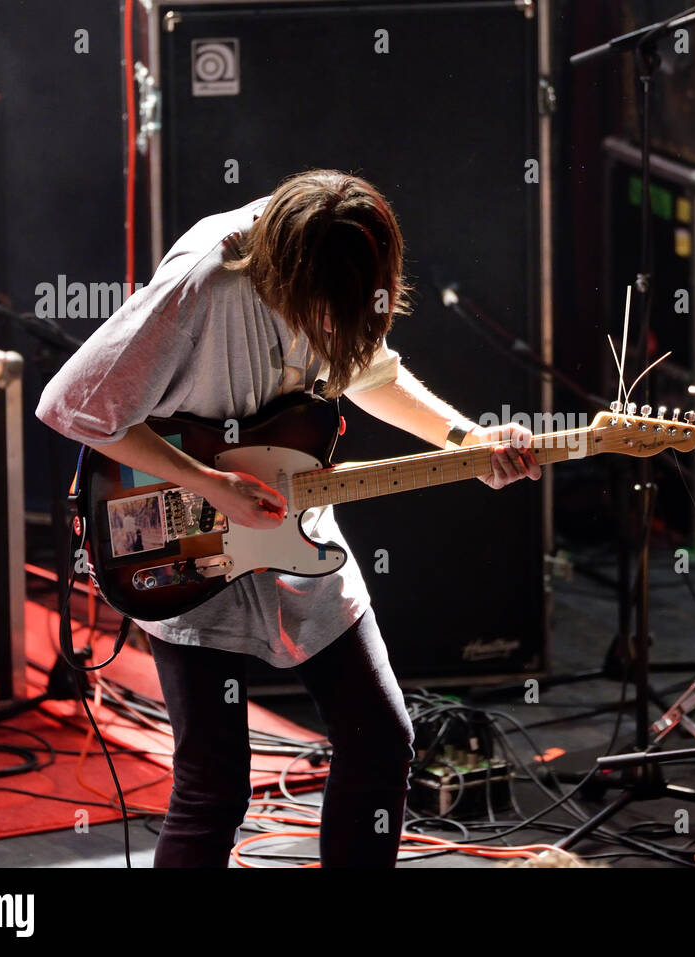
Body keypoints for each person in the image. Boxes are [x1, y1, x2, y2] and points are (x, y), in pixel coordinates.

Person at [36, 170, 541, 867]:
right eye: (323, 313)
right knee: (213, 786)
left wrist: (465, 441)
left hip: (292, 522)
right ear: (286, 276)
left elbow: (375, 376)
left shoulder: (345, 265)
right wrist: (209, 482)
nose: (334, 329)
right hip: (179, 525)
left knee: (382, 738)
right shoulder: (204, 283)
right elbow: (74, 407)